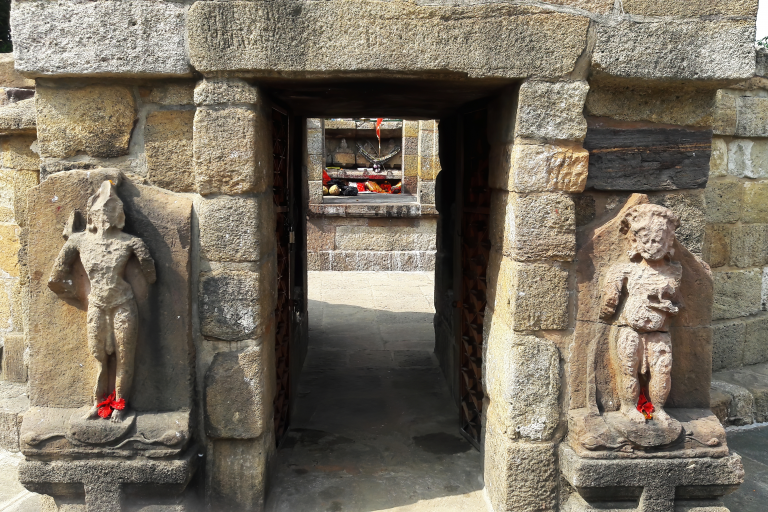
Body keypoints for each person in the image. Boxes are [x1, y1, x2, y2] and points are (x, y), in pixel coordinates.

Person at [48, 180, 156, 422]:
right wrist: (77, 297)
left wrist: (144, 256)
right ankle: (98, 404)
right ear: (91, 215)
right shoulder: (79, 242)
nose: (104, 216)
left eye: (110, 210)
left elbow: (152, 276)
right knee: (99, 358)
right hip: (96, 303)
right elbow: (56, 277)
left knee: (124, 357)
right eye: (99, 211)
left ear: (120, 214)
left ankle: (120, 404)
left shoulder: (131, 242)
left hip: (123, 303)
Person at [600, 204, 682, 427]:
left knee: (662, 371)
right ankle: (628, 406)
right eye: (645, 239)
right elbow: (608, 306)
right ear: (633, 241)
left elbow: (676, 302)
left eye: (657, 240)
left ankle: (659, 408)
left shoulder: (674, 271)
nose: (651, 245)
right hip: (630, 331)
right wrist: (611, 295)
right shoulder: (624, 270)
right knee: (628, 369)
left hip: (659, 333)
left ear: (668, 241)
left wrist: (668, 305)